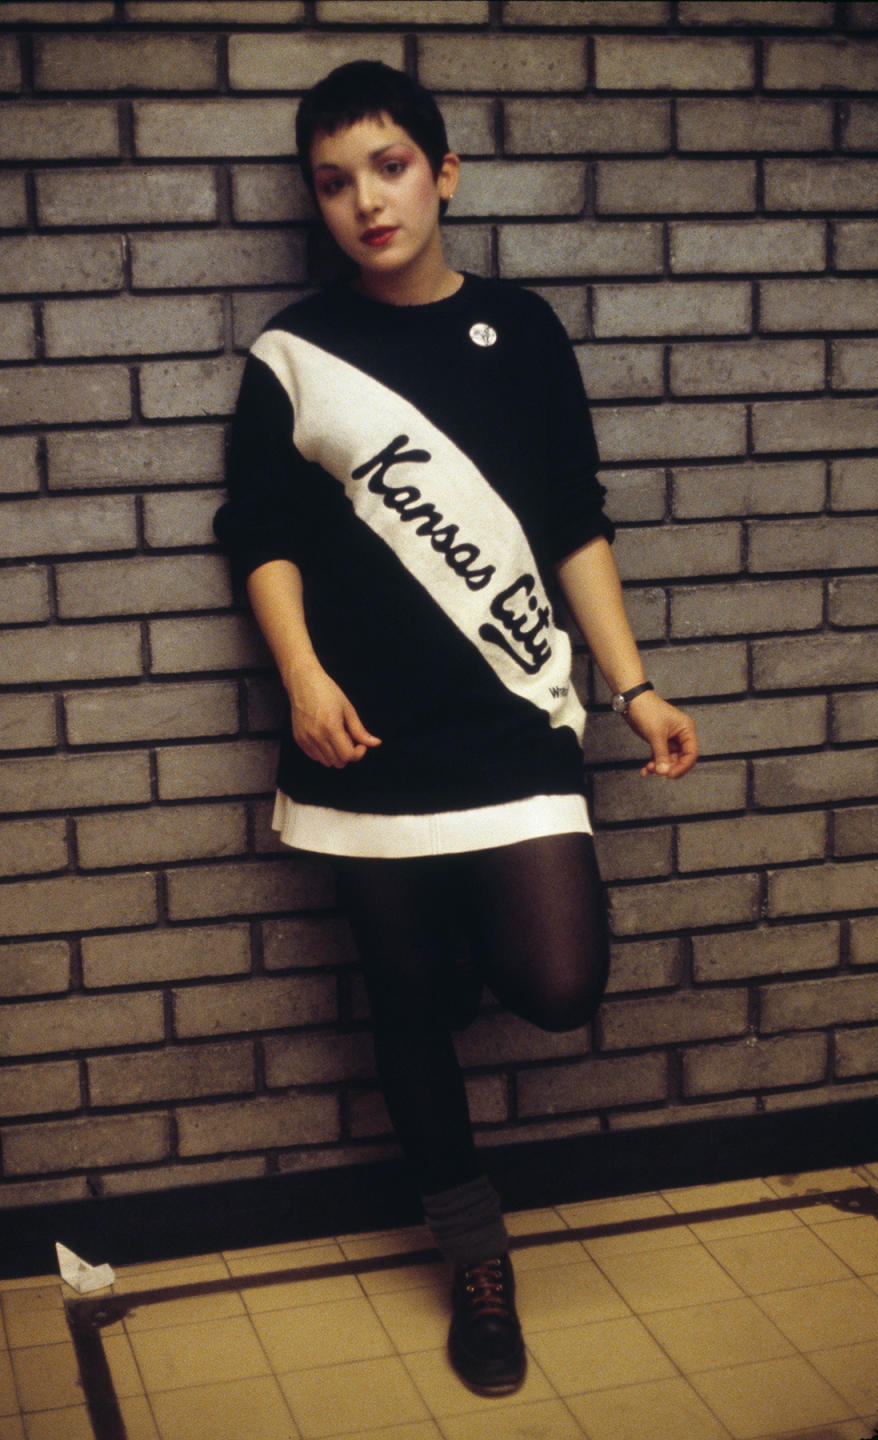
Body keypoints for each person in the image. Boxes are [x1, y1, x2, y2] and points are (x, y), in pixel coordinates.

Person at [215, 59, 698, 1397]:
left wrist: (631, 685)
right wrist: (303, 679)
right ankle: (476, 1263)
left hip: (512, 730)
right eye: (333, 181)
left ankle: (452, 946)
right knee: (408, 1009)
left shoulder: (526, 331)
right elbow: (258, 535)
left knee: (557, 982)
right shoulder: (293, 357)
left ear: (444, 171)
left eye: (387, 165)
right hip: (362, 746)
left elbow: (572, 520)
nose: (364, 200)